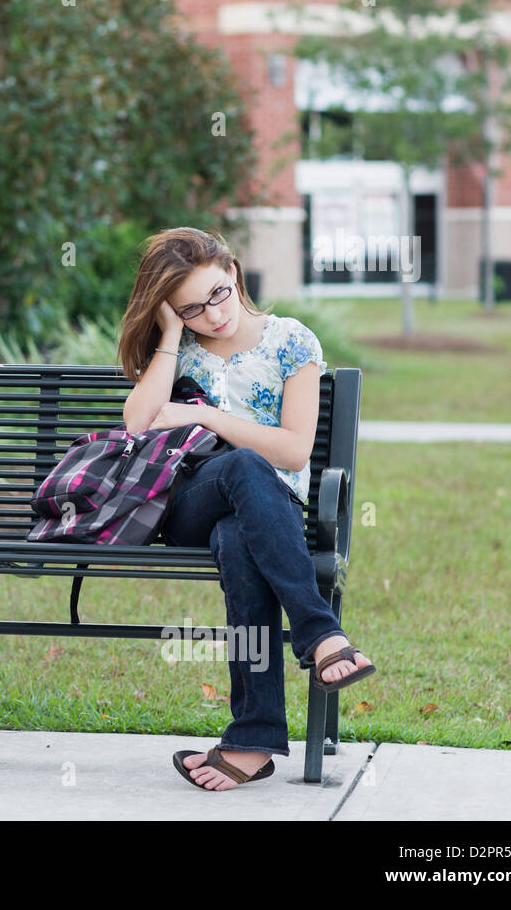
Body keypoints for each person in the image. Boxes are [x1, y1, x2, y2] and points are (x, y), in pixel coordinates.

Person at [118, 227, 376, 791]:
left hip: (266, 512)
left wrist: (205, 417)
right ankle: (320, 632)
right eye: (190, 307)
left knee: (241, 533)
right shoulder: (177, 348)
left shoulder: (291, 342)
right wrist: (166, 333)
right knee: (240, 466)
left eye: (218, 294)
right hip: (188, 505)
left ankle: (253, 739)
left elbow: (292, 450)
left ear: (233, 272)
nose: (212, 314)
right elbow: (137, 424)